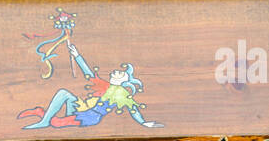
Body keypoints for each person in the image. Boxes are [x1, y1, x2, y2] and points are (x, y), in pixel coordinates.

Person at [19, 40, 162, 129]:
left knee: (55, 123)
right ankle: (43, 118)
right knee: (65, 94)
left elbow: (133, 109)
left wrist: (143, 123)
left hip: (89, 117)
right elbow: (89, 74)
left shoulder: (120, 93)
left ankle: (41, 115)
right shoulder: (106, 86)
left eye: (121, 73)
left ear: (124, 81)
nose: (117, 72)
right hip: (82, 110)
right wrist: (77, 56)